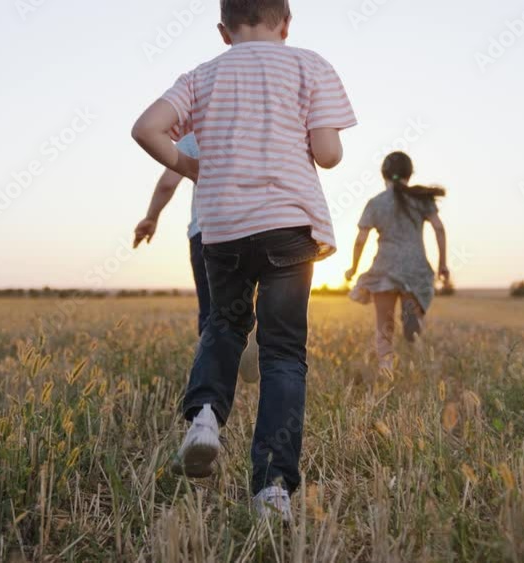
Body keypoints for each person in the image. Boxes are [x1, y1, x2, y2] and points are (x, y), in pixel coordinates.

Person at [131, 0, 356, 522]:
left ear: (223, 30)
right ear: (286, 23)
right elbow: (328, 154)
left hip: (223, 227)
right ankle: (272, 490)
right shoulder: (310, 64)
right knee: (281, 355)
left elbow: (146, 128)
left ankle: (205, 418)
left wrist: (192, 166)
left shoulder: (200, 75)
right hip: (289, 226)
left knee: (224, 327)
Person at [133, 133, 260, 384]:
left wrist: (151, 217)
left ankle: (210, 396)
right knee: (246, 300)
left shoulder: (196, 134)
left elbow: (167, 183)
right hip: (252, 229)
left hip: (206, 233)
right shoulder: (257, 122)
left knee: (212, 314)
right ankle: (252, 334)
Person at [345, 152, 448, 371]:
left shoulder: (375, 203)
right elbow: (439, 228)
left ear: (383, 174)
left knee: (384, 327)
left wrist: (353, 268)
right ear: (409, 174)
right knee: (415, 314)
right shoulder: (422, 199)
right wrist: (442, 265)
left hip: (385, 269)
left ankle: (386, 369)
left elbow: (361, 240)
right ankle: (413, 319)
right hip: (415, 267)